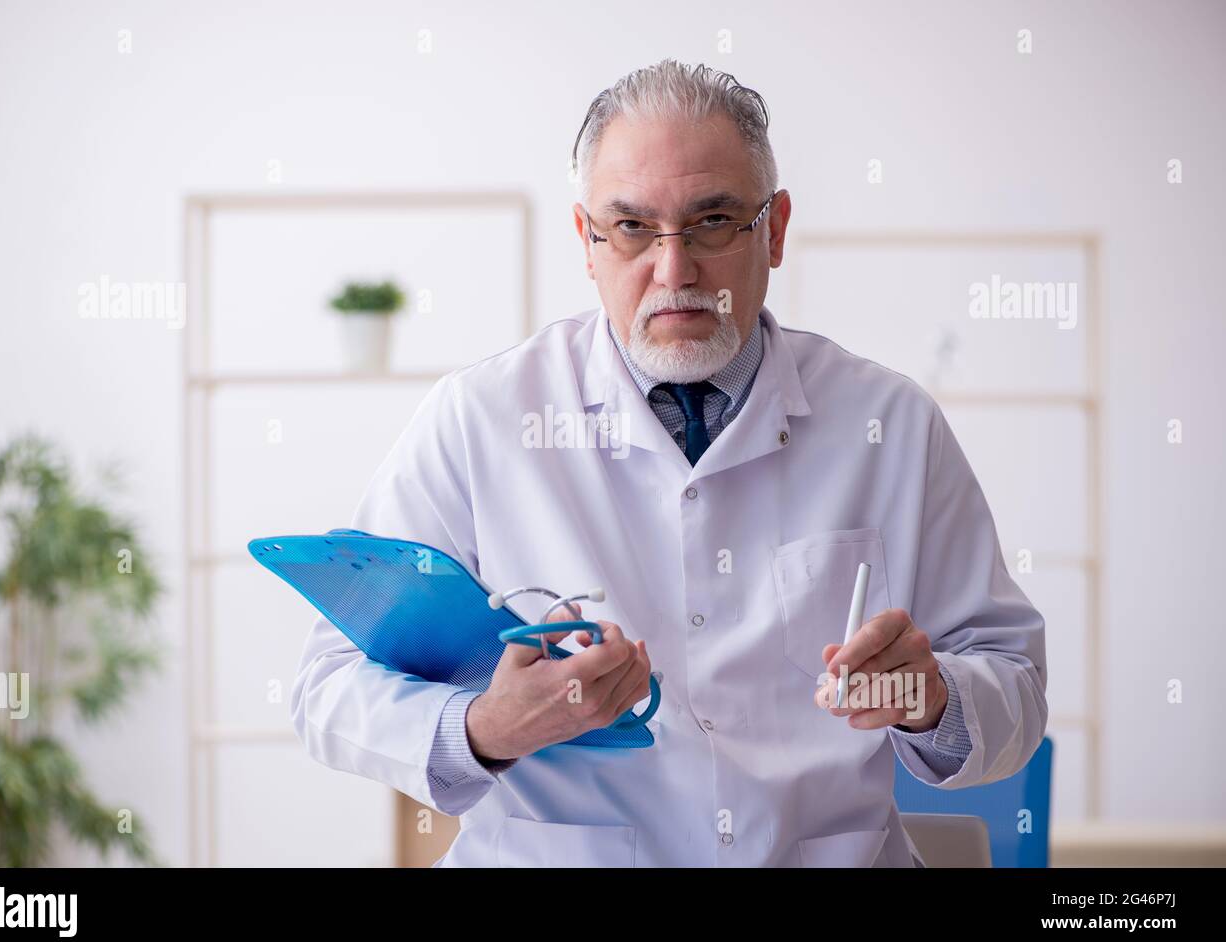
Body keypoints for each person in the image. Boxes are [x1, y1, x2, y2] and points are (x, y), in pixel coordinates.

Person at [291, 58, 1047, 867]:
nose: (674, 269)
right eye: (631, 228)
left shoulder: (890, 424)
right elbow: (328, 686)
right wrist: (487, 727)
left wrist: (928, 698)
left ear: (777, 229)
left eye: (714, 220)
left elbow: (1016, 688)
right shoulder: (482, 417)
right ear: (586, 241)